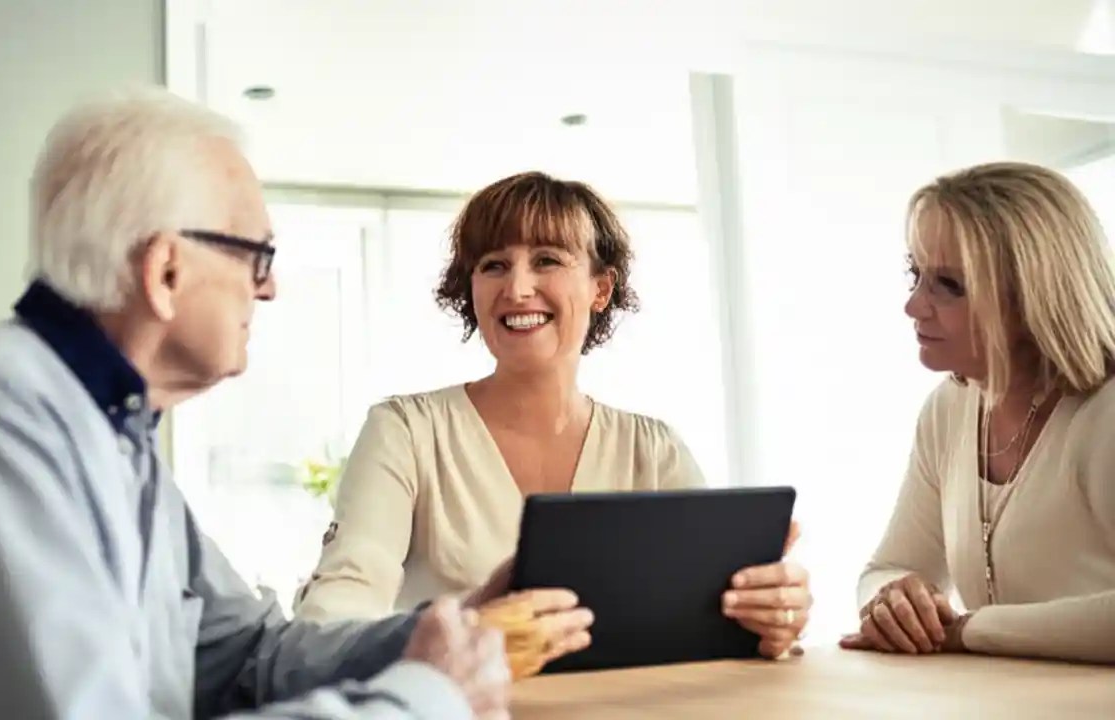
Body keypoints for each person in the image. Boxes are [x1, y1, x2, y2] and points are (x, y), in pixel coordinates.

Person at [0, 88, 594, 719]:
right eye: (256, 255)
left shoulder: (113, 438)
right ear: (166, 269)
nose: (269, 287)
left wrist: (445, 632)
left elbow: (251, 656)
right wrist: (425, 698)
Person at [293, 171, 811, 660]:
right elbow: (335, 615)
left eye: (546, 260)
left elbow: (707, 621)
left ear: (600, 289)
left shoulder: (653, 452)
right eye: (493, 264)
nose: (517, 289)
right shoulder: (406, 430)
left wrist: (764, 618)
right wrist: (467, 626)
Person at [841, 161, 1115, 664]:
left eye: (947, 285)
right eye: (915, 274)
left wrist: (966, 631)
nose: (913, 306)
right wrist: (893, 601)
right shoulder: (948, 409)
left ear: (1034, 294)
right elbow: (891, 567)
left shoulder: (1106, 414)